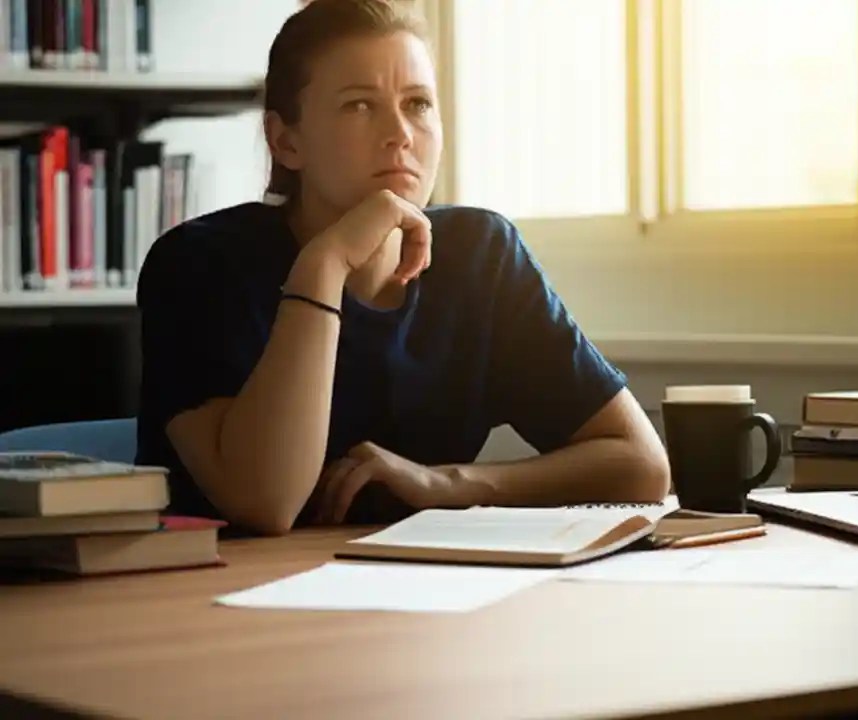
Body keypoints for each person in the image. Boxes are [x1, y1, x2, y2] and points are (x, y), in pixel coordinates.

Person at [135, 0, 670, 535]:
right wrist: (325, 263)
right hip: (214, 594)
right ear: (286, 141)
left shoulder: (481, 255)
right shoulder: (196, 265)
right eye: (359, 106)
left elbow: (642, 468)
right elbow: (265, 504)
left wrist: (449, 485)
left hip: (415, 584)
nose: (400, 134)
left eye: (416, 104)